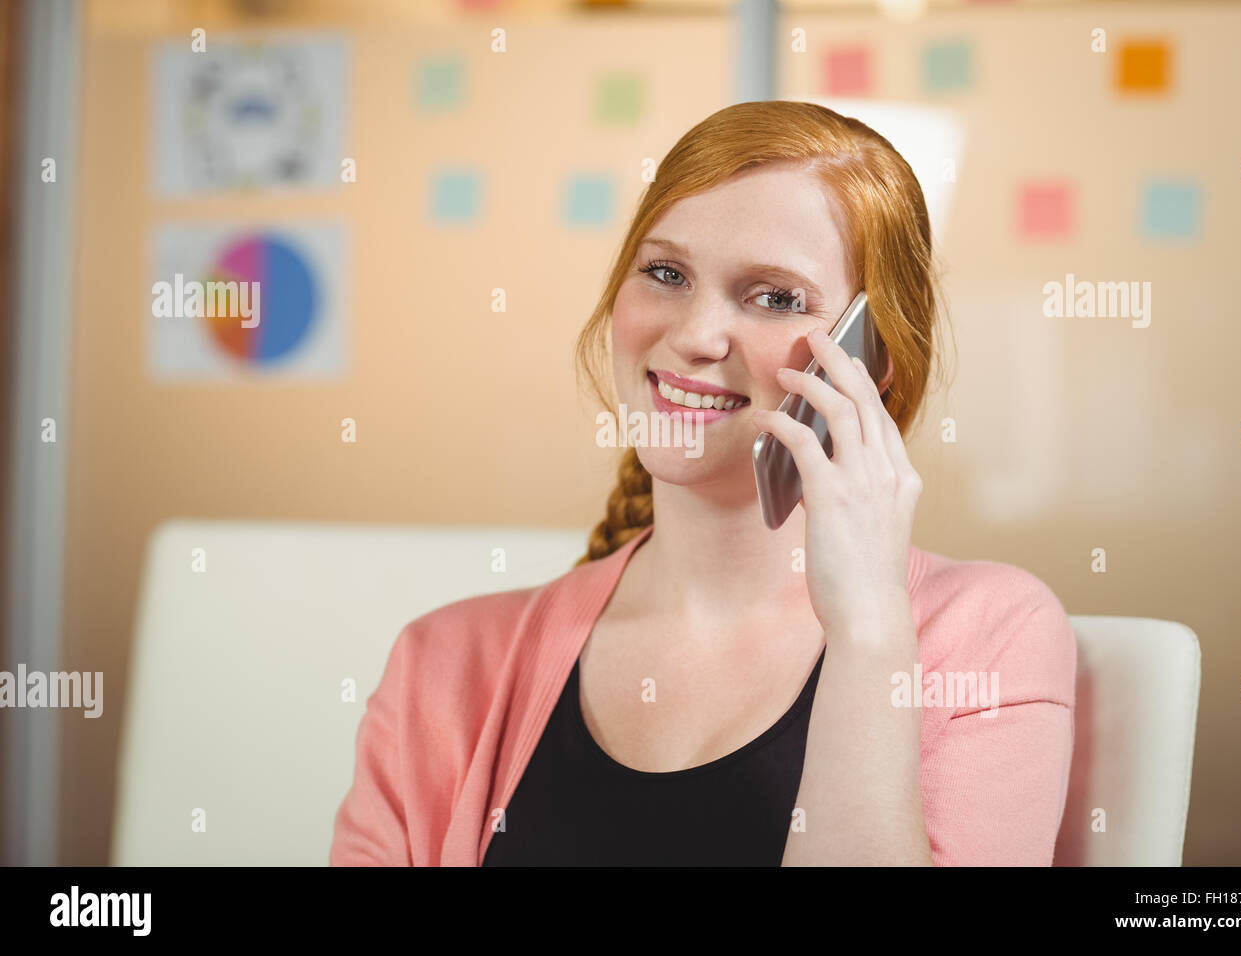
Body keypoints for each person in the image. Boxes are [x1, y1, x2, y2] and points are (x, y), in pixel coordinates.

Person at [331, 100, 1076, 867]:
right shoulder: (443, 663)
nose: (692, 336)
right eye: (665, 273)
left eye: (774, 296)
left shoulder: (991, 635)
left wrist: (868, 633)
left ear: (871, 355)